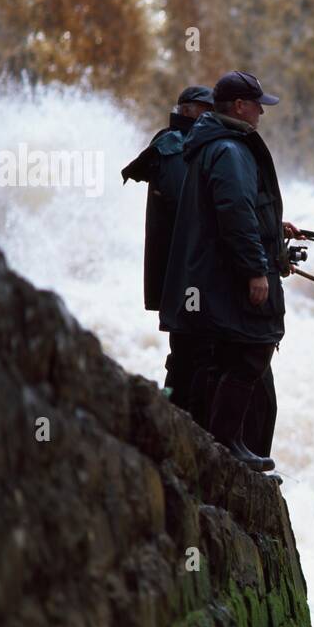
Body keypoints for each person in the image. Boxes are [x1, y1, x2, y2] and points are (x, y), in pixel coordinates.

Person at [159, 71, 300, 472]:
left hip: (207, 278)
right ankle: (228, 443)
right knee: (255, 344)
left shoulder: (208, 144)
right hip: (225, 278)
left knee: (226, 355)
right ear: (239, 106)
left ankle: (226, 442)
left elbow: (238, 208)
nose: (261, 112)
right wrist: (256, 270)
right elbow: (234, 213)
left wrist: (275, 229)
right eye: (257, 104)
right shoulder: (231, 150)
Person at [122, 85, 214, 410]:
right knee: (188, 354)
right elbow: (188, 210)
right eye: (207, 109)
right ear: (187, 110)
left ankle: (174, 417)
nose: (213, 115)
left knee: (189, 353)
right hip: (185, 274)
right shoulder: (174, 147)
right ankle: (171, 417)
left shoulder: (184, 144)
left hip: (184, 274)